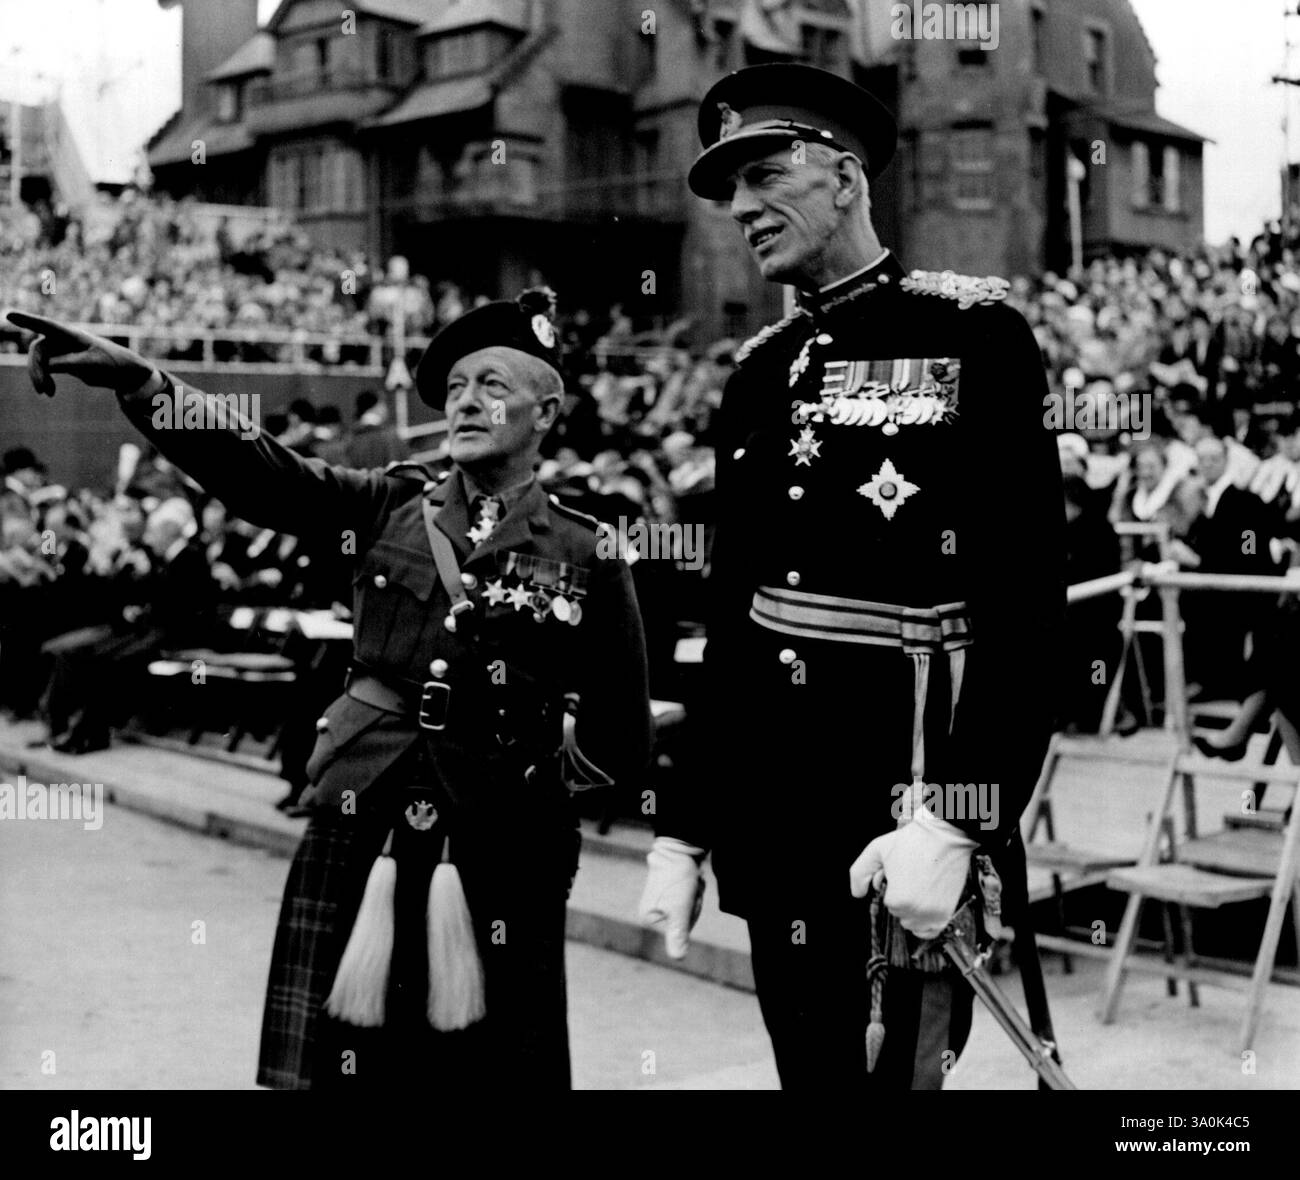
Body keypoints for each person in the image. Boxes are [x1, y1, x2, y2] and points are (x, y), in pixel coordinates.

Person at [7, 289, 651, 1091]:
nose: (465, 403)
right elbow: (259, 470)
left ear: (546, 410)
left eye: (490, 385)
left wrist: (531, 793)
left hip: (500, 833)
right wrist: (143, 383)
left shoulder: (588, 549)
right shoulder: (385, 504)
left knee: (491, 1072)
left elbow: (622, 732)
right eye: (453, 389)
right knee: (336, 1066)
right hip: (363, 809)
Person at [636, 63, 1065, 1090]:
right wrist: (683, 826)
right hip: (774, 819)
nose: (741, 207)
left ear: (843, 174)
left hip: (899, 805)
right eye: (729, 187)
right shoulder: (756, 373)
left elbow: (1025, 613)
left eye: (764, 172)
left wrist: (962, 816)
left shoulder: (972, 336)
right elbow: (731, 620)